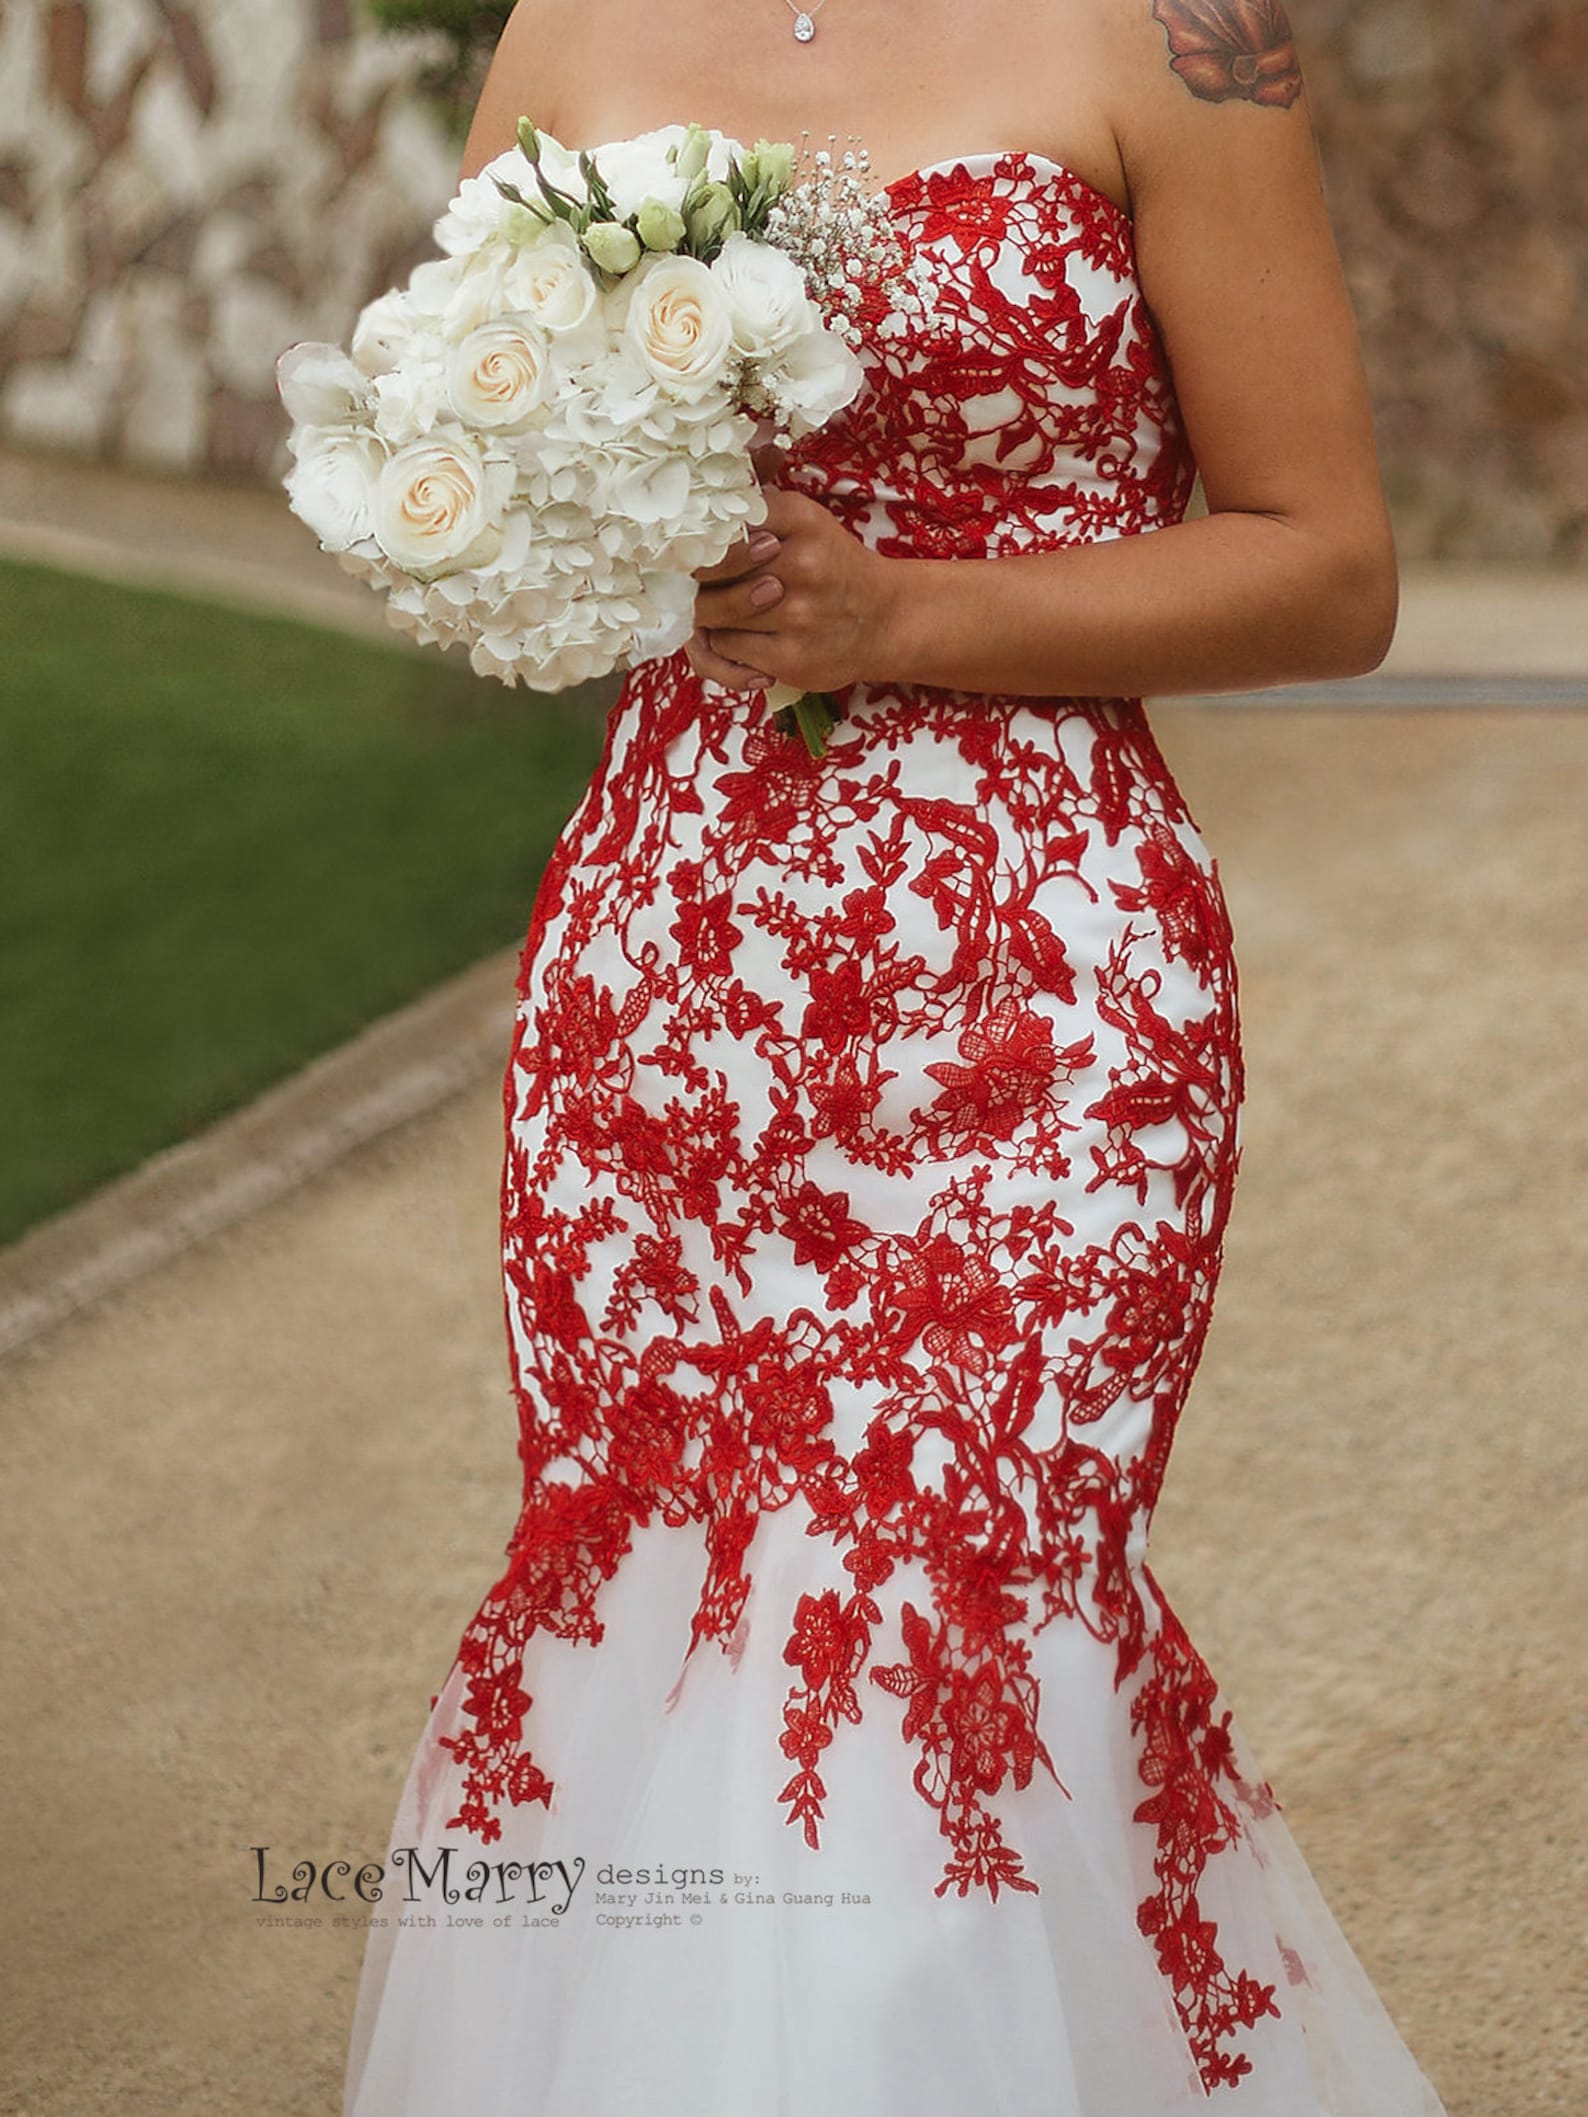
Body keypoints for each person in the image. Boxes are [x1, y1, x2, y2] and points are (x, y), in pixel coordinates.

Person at [341, 3, 1451, 2111]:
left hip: (1038, 979)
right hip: (666, 986)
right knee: (657, 1583)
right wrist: (526, 512)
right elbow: (459, 465)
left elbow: (1328, 570)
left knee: (957, 1617)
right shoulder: (572, 21)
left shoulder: (1181, 35)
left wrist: (902, 619)